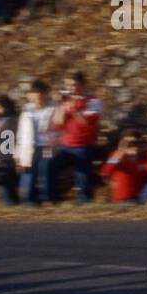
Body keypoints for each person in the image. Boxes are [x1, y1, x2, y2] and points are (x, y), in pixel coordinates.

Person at [49, 71, 103, 204]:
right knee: (51, 167)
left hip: (84, 145)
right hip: (66, 145)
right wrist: (62, 106)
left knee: (82, 176)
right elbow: (58, 122)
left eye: (74, 85)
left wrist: (74, 109)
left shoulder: (94, 101)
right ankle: (53, 199)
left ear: (82, 84)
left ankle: (85, 203)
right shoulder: (65, 101)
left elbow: (88, 123)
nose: (71, 88)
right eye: (68, 85)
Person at [15, 80, 56, 205]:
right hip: (30, 147)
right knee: (29, 173)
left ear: (45, 94)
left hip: (47, 146)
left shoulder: (53, 108)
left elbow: (58, 129)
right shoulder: (27, 111)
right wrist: (18, 155)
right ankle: (29, 201)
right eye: (35, 94)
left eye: (40, 93)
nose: (38, 97)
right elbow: (21, 133)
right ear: (31, 95)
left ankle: (48, 199)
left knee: (46, 171)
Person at [101, 132, 147, 203]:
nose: (134, 146)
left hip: (139, 197)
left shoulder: (144, 158)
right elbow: (105, 171)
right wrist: (120, 151)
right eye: (130, 143)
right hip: (123, 199)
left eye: (138, 143)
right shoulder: (117, 155)